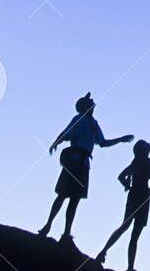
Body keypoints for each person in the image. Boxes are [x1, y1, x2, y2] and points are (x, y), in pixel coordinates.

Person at [38, 93, 133, 246]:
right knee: (63, 195)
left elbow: (102, 142)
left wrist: (120, 140)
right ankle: (49, 226)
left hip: (82, 163)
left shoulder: (92, 123)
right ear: (85, 107)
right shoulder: (80, 120)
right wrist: (56, 142)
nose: (94, 106)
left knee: (73, 199)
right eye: (91, 104)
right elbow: (67, 133)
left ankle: (65, 232)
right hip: (76, 161)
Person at [96, 140, 150, 271]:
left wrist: (127, 186)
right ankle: (129, 268)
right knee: (135, 234)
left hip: (134, 194)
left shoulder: (135, 163)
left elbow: (120, 176)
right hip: (143, 196)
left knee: (125, 227)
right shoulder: (148, 162)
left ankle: (104, 251)